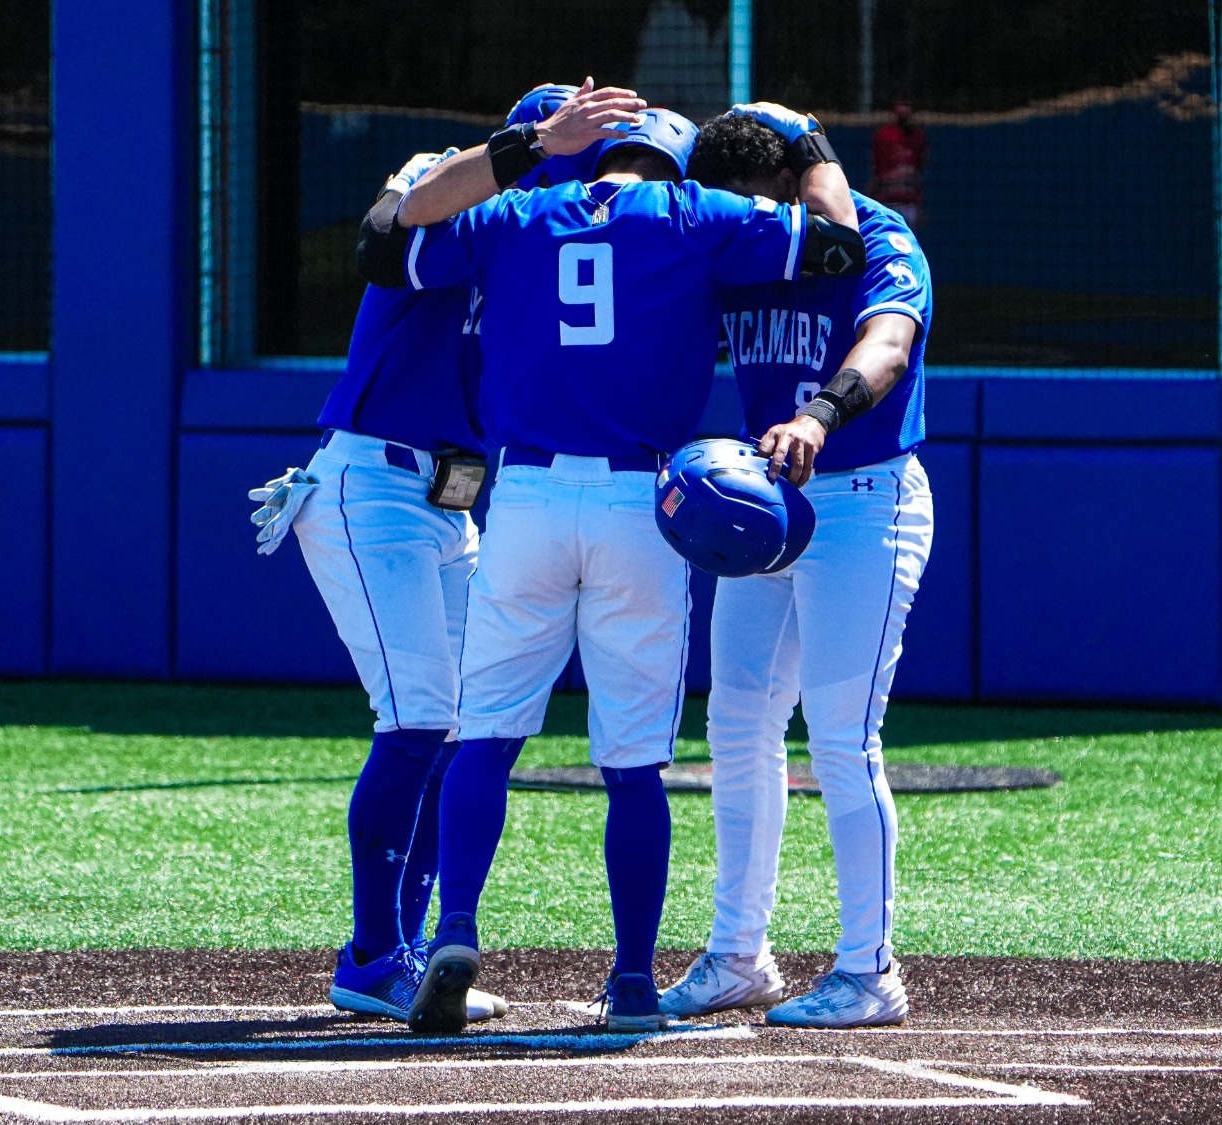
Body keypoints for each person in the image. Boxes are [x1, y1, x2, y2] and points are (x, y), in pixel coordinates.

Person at [358, 98, 867, 1034]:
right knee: (634, 766)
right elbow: (841, 244)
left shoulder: (516, 213)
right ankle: (633, 975)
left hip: (528, 503)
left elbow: (391, 236)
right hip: (646, 505)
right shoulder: (697, 214)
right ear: (674, 162)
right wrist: (810, 145)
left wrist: (518, 151)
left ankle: (455, 931)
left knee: (486, 740)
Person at [247, 81, 635, 1027]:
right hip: (370, 480)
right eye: (571, 144)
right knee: (418, 717)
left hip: (450, 497)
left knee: (461, 726)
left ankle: (407, 952)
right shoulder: (449, 181)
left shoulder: (557, 233)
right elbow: (390, 223)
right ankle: (372, 954)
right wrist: (532, 144)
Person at [655, 110, 933, 1028]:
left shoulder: (882, 236)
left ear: (796, 185)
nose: (748, 224)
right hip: (764, 506)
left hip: (863, 496)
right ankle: (740, 954)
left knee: (842, 737)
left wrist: (819, 412)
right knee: (735, 725)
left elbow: (886, 344)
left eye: (760, 204)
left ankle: (871, 969)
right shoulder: (742, 237)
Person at [868, 100, 926, 229]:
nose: (904, 110)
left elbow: (918, 173)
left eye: (907, 105)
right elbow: (876, 169)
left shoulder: (917, 137)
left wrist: (918, 205)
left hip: (909, 203)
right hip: (886, 202)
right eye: (901, 105)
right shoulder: (883, 135)